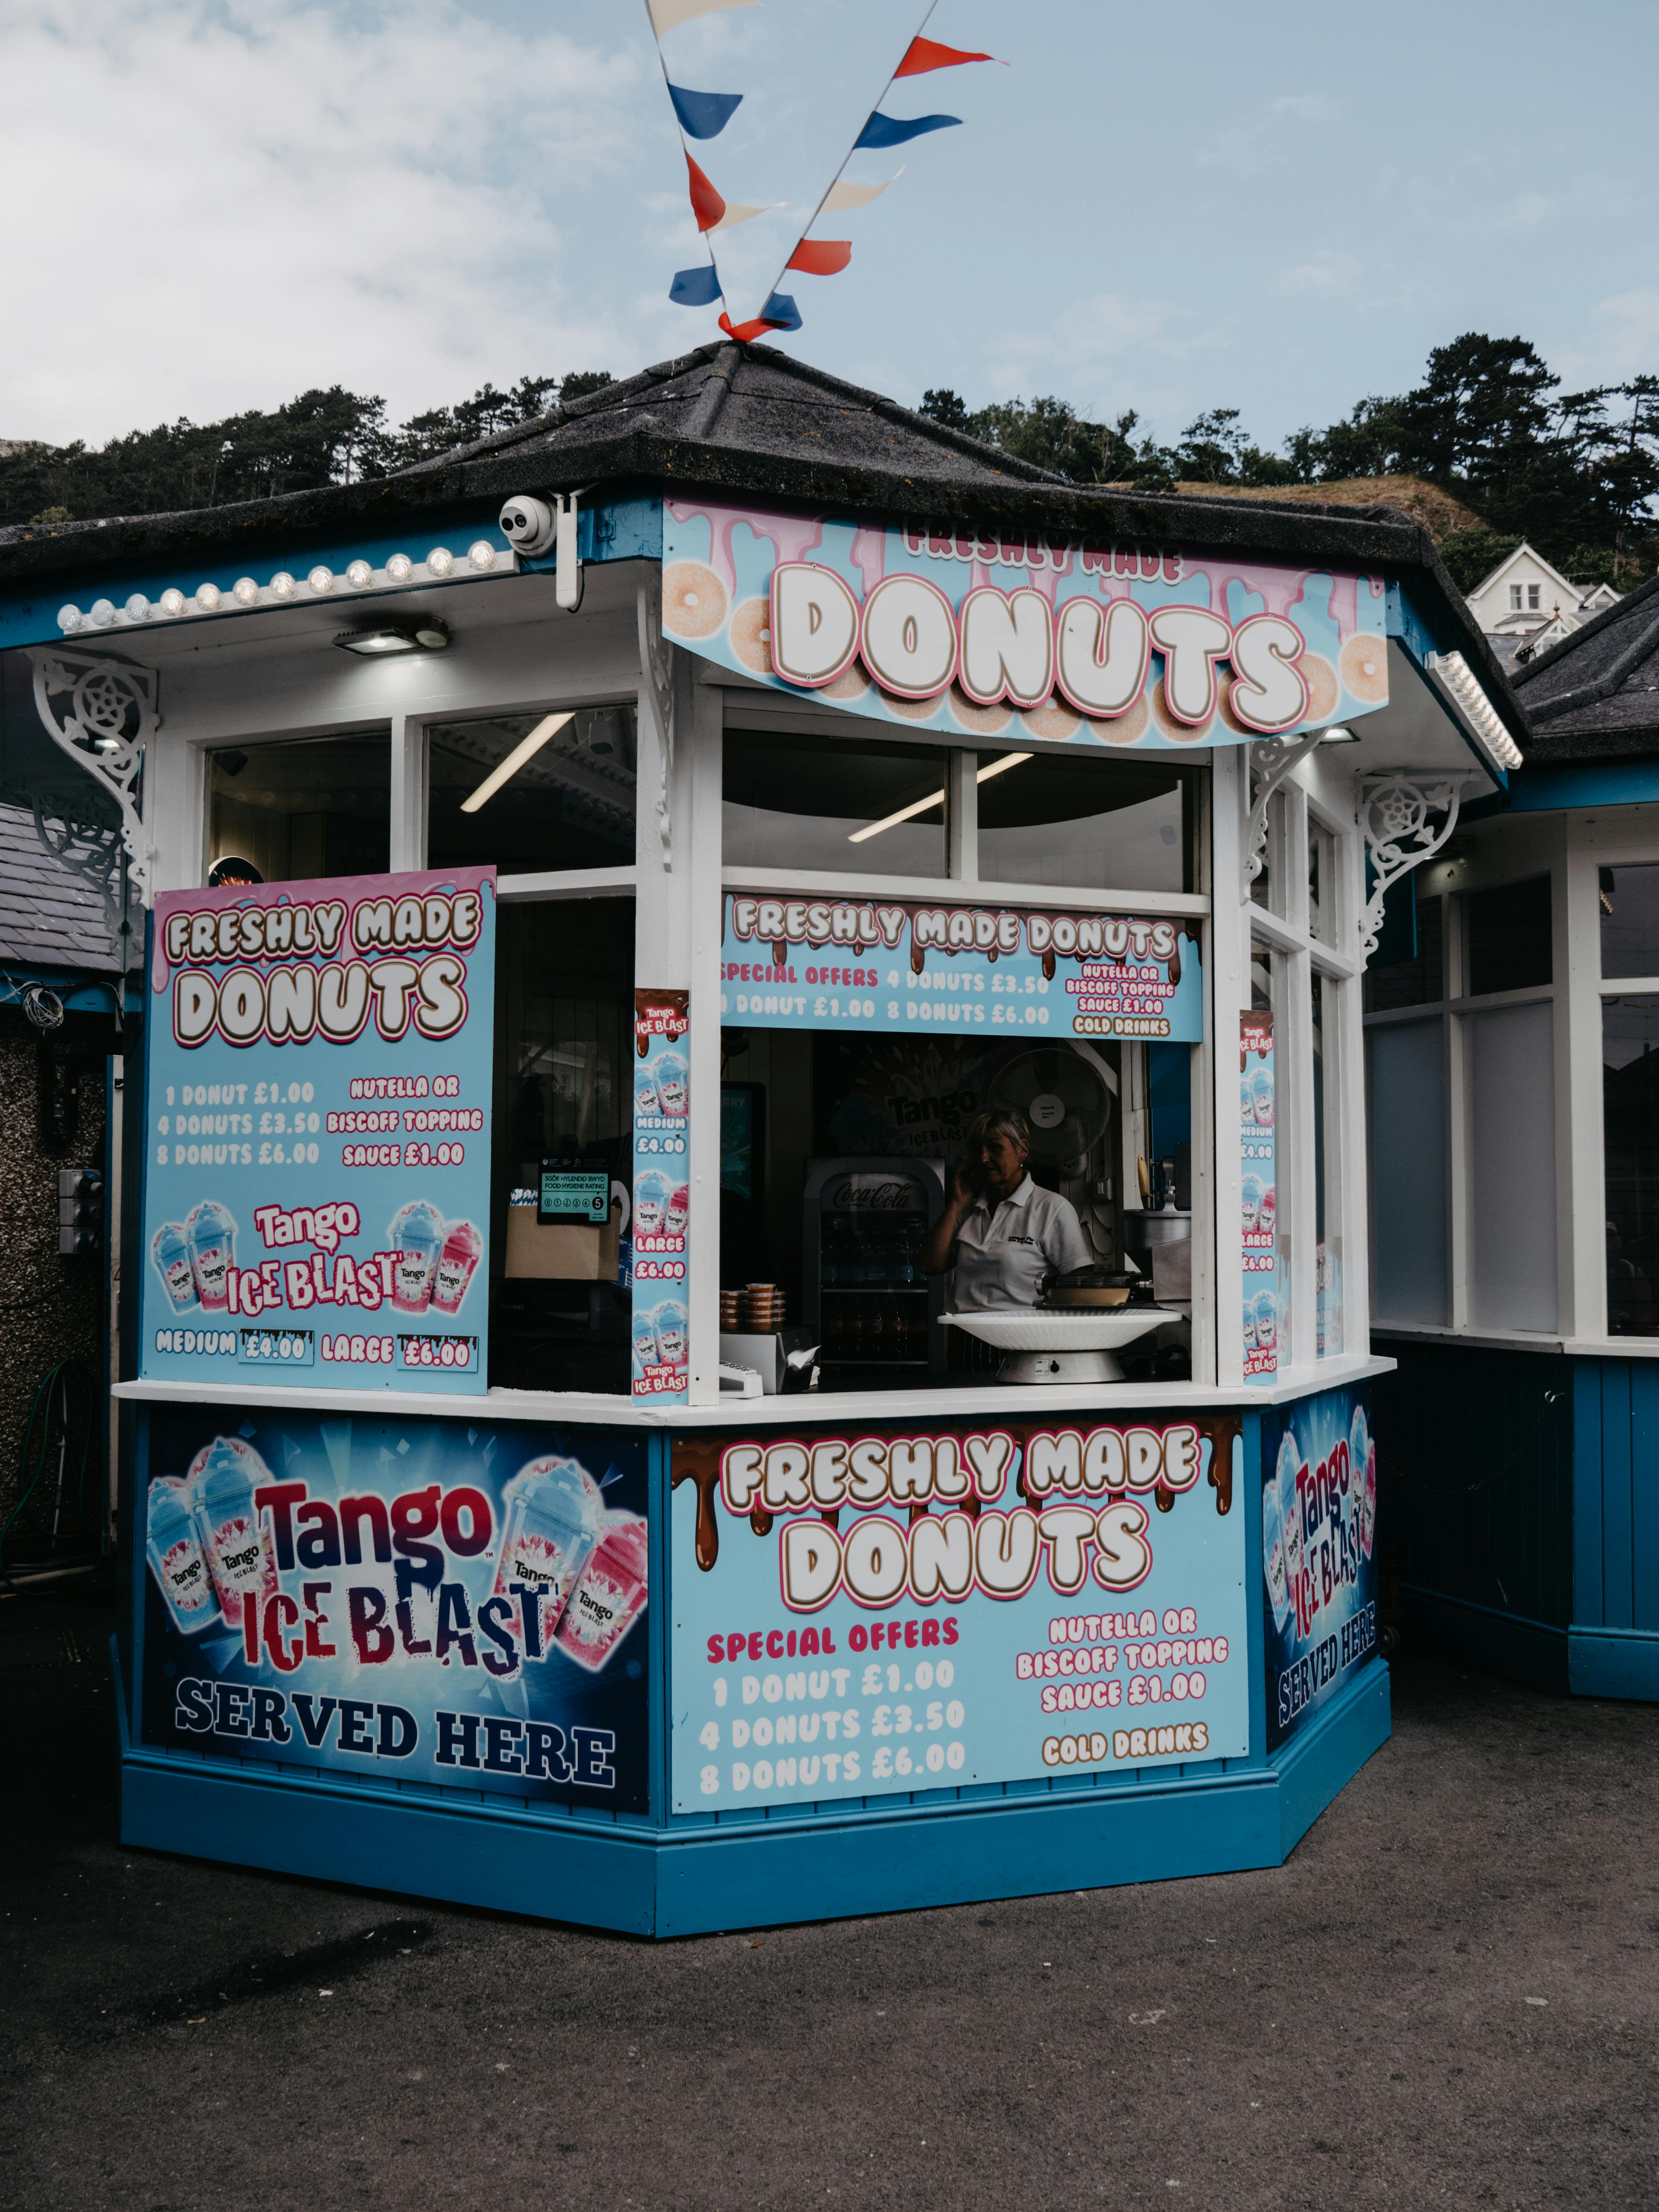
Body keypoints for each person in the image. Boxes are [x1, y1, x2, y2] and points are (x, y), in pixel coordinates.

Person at [920, 1106, 1092, 1310]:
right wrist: (956, 1203)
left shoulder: (1051, 1208)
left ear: (1022, 1151)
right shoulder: (968, 1208)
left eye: (995, 1148)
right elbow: (930, 1265)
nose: (984, 1158)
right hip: (966, 1338)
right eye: (978, 1150)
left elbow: (1081, 1283)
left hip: (1022, 1339)